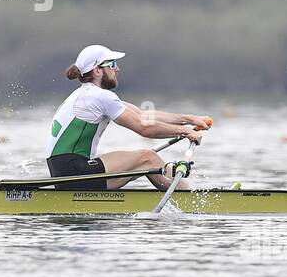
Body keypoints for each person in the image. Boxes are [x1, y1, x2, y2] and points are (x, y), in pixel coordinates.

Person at [45, 45, 207, 190]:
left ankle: (180, 188)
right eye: (113, 64)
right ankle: (189, 199)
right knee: (147, 158)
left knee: (145, 160)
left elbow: (143, 115)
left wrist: (190, 119)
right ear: (97, 70)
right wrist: (186, 132)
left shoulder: (89, 95)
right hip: (75, 173)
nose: (118, 69)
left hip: (66, 171)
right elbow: (145, 128)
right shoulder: (99, 97)